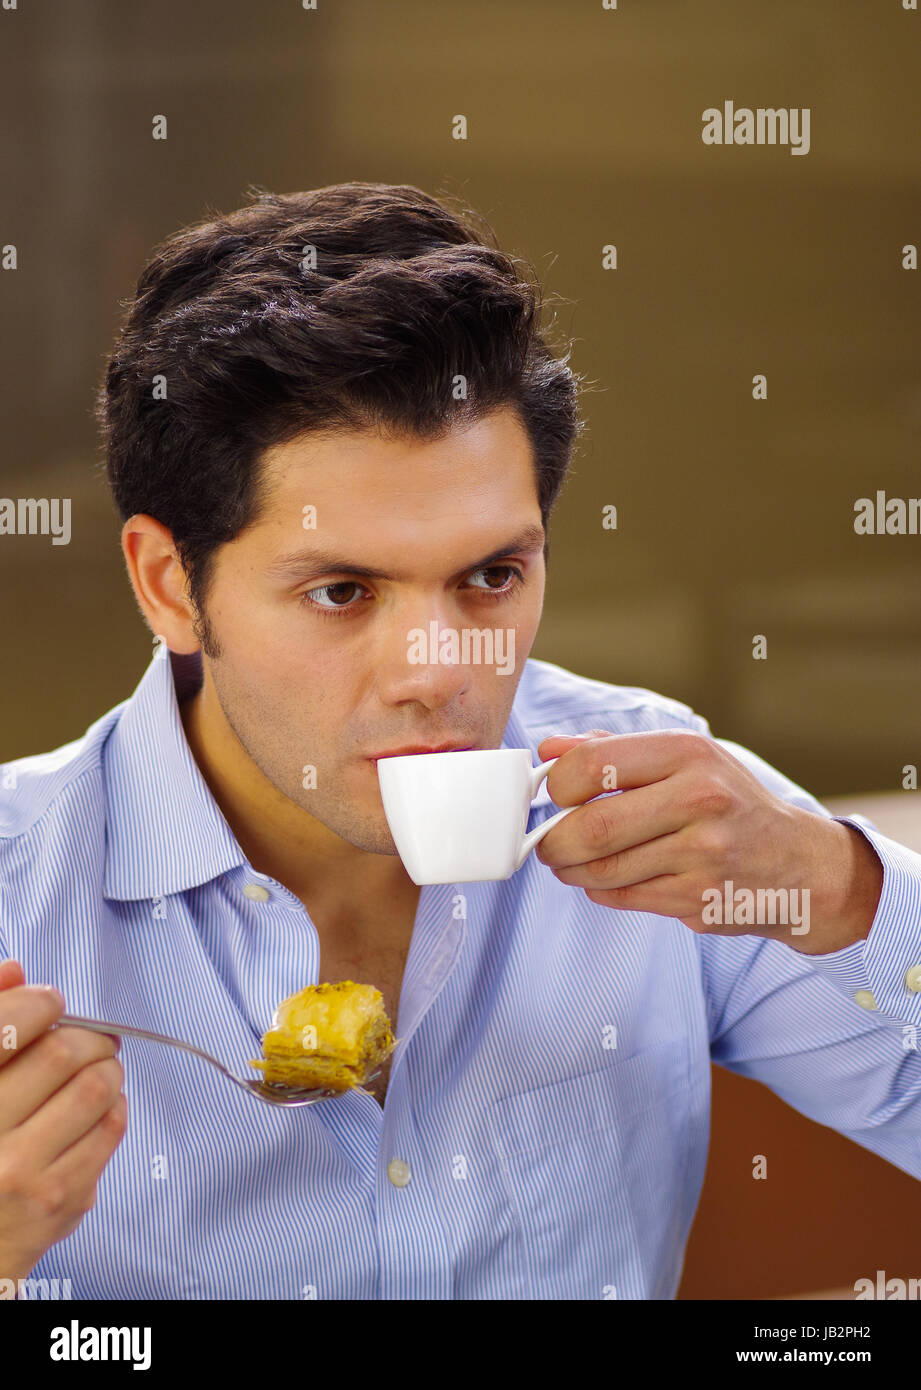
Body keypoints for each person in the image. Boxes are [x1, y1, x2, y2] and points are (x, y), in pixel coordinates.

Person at [1, 183, 918, 1300]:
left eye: (492, 576)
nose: (441, 671)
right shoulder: (19, 899)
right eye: (342, 591)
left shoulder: (672, 805)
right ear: (169, 586)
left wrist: (837, 885)